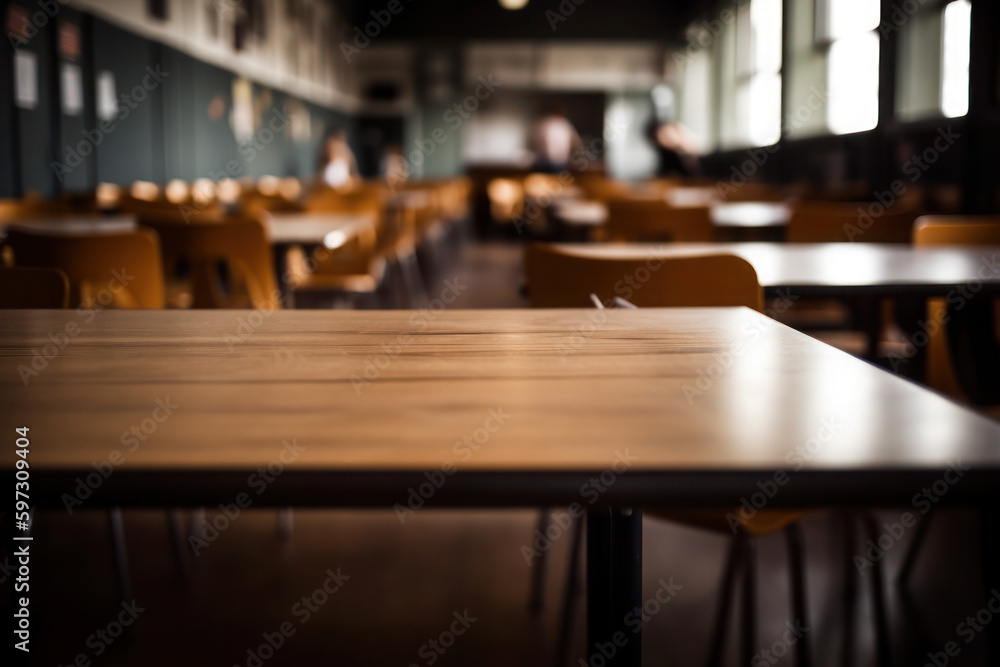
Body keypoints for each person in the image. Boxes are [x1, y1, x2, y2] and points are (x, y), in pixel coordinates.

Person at [531, 105, 582, 173]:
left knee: (541, 179)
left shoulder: (541, 123)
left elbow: (532, 143)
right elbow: (577, 143)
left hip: (543, 162)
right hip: (559, 163)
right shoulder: (565, 123)